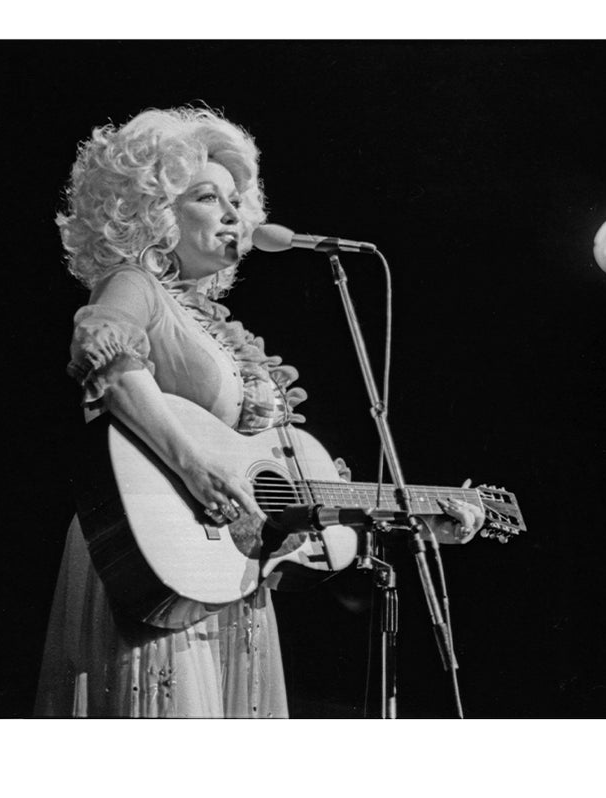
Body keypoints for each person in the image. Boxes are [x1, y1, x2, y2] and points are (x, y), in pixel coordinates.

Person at [34, 106, 484, 718]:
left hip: (219, 578)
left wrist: (411, 520)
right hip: (152, 555)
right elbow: (104, 358)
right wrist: (195, 468)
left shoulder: (211, 325)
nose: (232, 214)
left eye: (235, 200)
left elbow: (282, 492)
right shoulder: (135, 285)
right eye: (205, 197)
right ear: (155, 211)